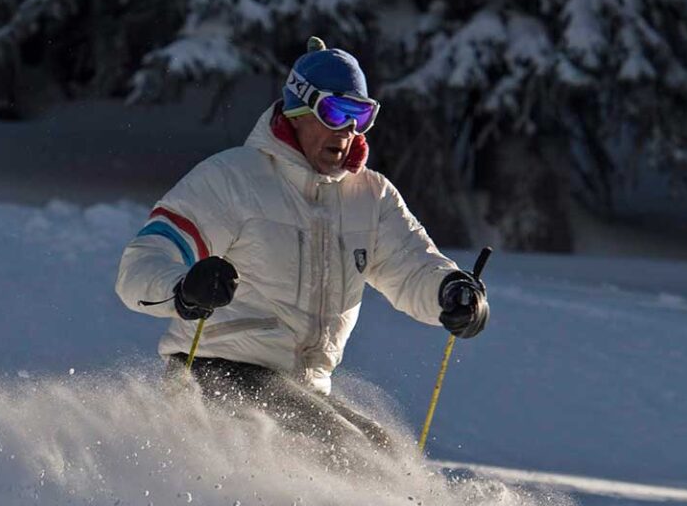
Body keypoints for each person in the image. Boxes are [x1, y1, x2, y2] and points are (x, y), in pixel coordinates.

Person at [116, 37, 489, 454]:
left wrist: (451, 291)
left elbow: (415, 267)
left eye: (361, 116)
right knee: (349, 453)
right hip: (215, 374)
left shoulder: (371, 197)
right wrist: (184, 289)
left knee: (392, 455)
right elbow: (142, 263)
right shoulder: (234, 178)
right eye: (335, 112)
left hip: (304, 390)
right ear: (299, 108)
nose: (348, 131)